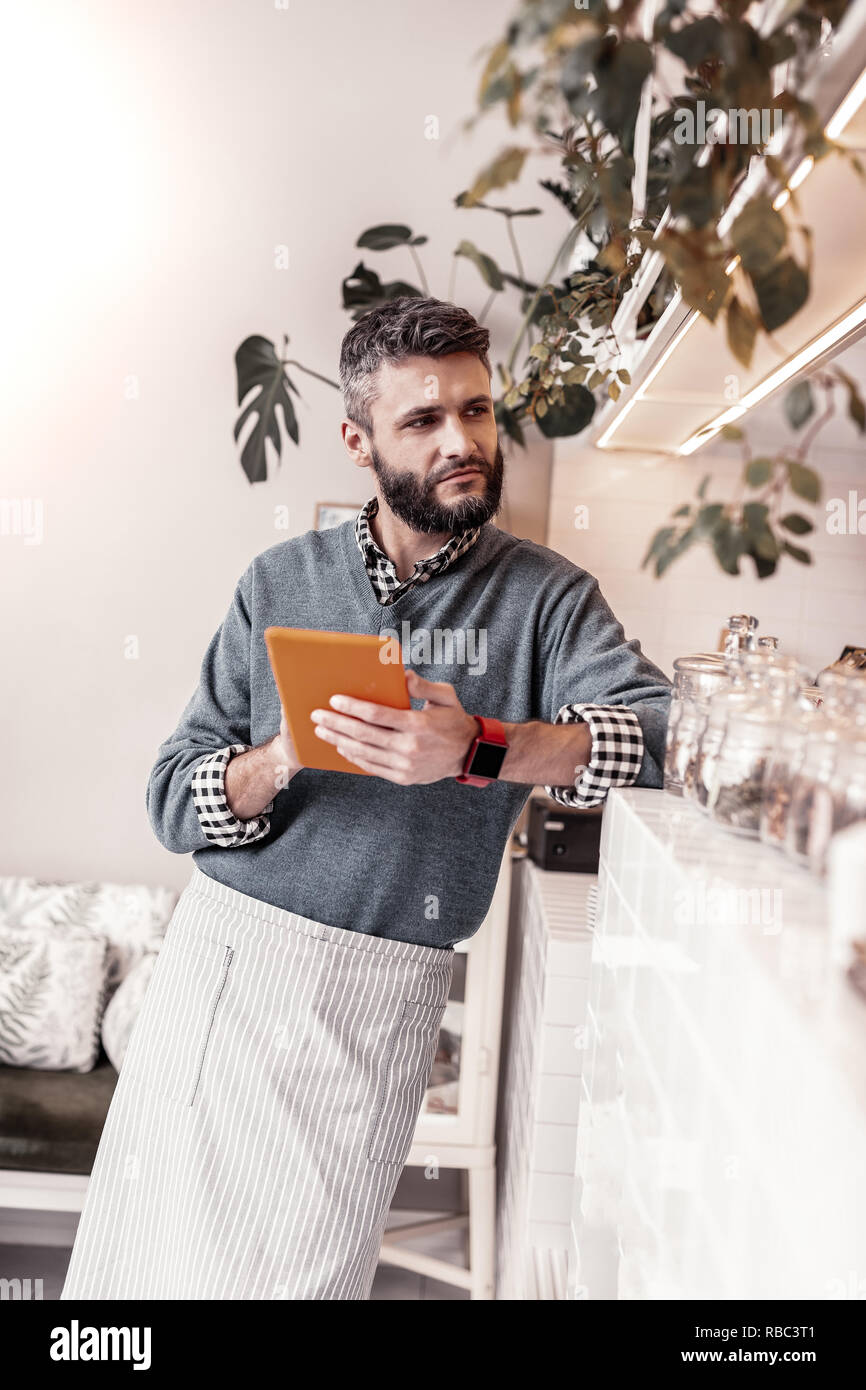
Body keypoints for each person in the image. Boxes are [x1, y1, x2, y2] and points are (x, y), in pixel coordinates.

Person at [60, 297, 672, 1301]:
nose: (460, 442)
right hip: (222, 978)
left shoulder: (548, 598)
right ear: (357, 440)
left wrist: (481, 745)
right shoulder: (277, 582)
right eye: (422, 423)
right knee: (141, 1278)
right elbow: (173, 800)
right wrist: (276, 757)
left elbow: (665, 736)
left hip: (373, 997)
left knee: (304, 1282)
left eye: (475, 412)